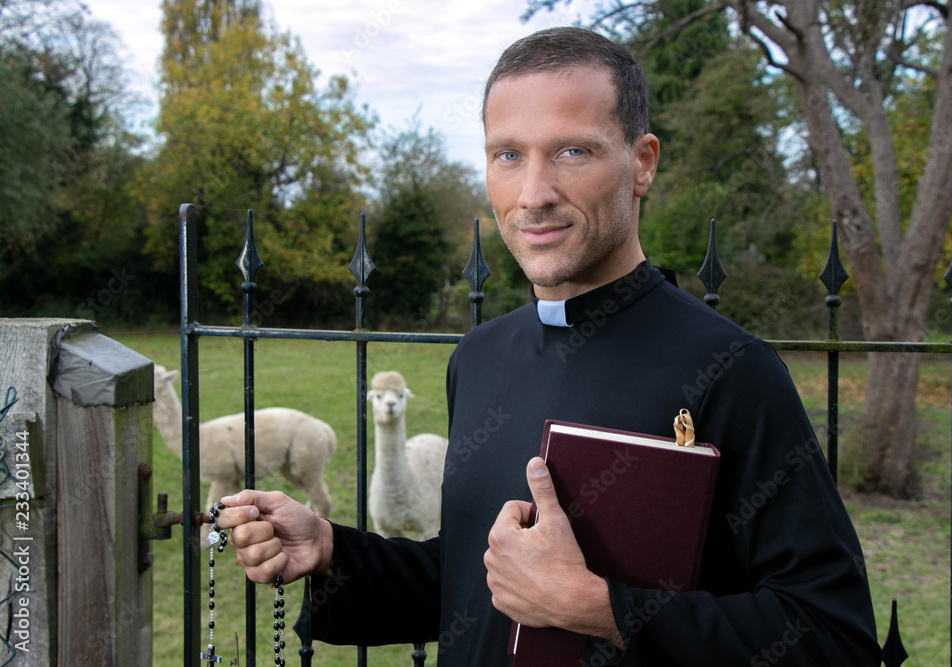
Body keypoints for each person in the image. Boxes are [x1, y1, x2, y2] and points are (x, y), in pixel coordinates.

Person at [218, 26, 882, 665]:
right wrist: (331, 548)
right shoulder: (478, 357)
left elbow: (833, 636)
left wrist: (600, 609)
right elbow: (475, 578)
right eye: (508, 155)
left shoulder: (729, 370)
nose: (534, 194)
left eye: (572, 152)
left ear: (642, 163)